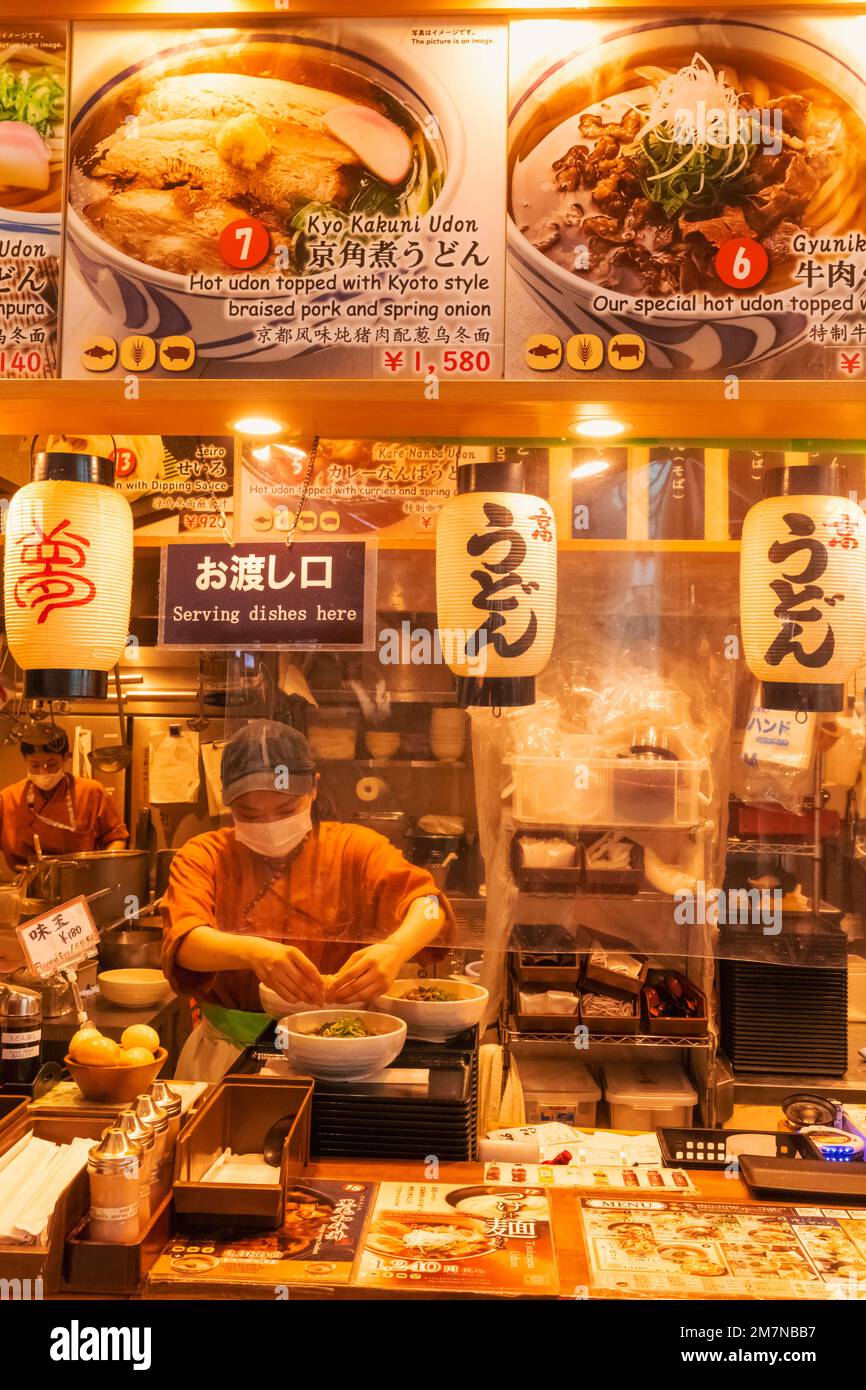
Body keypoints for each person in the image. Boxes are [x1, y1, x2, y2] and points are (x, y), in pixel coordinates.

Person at [162, 719, 454, 1080]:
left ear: (313, 789)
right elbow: (185, 941)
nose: (269, 824)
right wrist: (256, 953)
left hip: (342, 1053)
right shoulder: (206, 854)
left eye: (286, 811)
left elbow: (428, 905)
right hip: (227, 1056)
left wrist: (393, 951)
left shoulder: (354, 847)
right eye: (248, 814)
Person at [0, 729, 129, 871]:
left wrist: (104, 870)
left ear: (66, 757)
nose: (44, 772)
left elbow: (116, 838)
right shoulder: (8, 798)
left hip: (84, 881)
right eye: (34, 765)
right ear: (25, 760)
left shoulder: (92, 793)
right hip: (28, 883)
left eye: (51, 764)